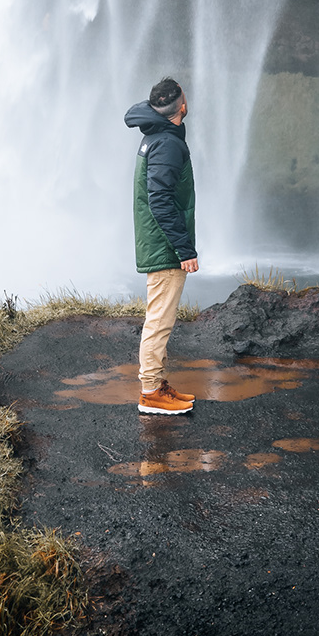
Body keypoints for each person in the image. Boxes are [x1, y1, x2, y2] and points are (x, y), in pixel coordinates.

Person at [124, 76, 199, 416]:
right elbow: (160, 201)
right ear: (181, 107)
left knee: (160, 317)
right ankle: (151, 392)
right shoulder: (168, 143)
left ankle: (158, 384)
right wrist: (184, 250)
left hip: (158, 240)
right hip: (164, 245)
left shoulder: (154, 134)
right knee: (159, 321)